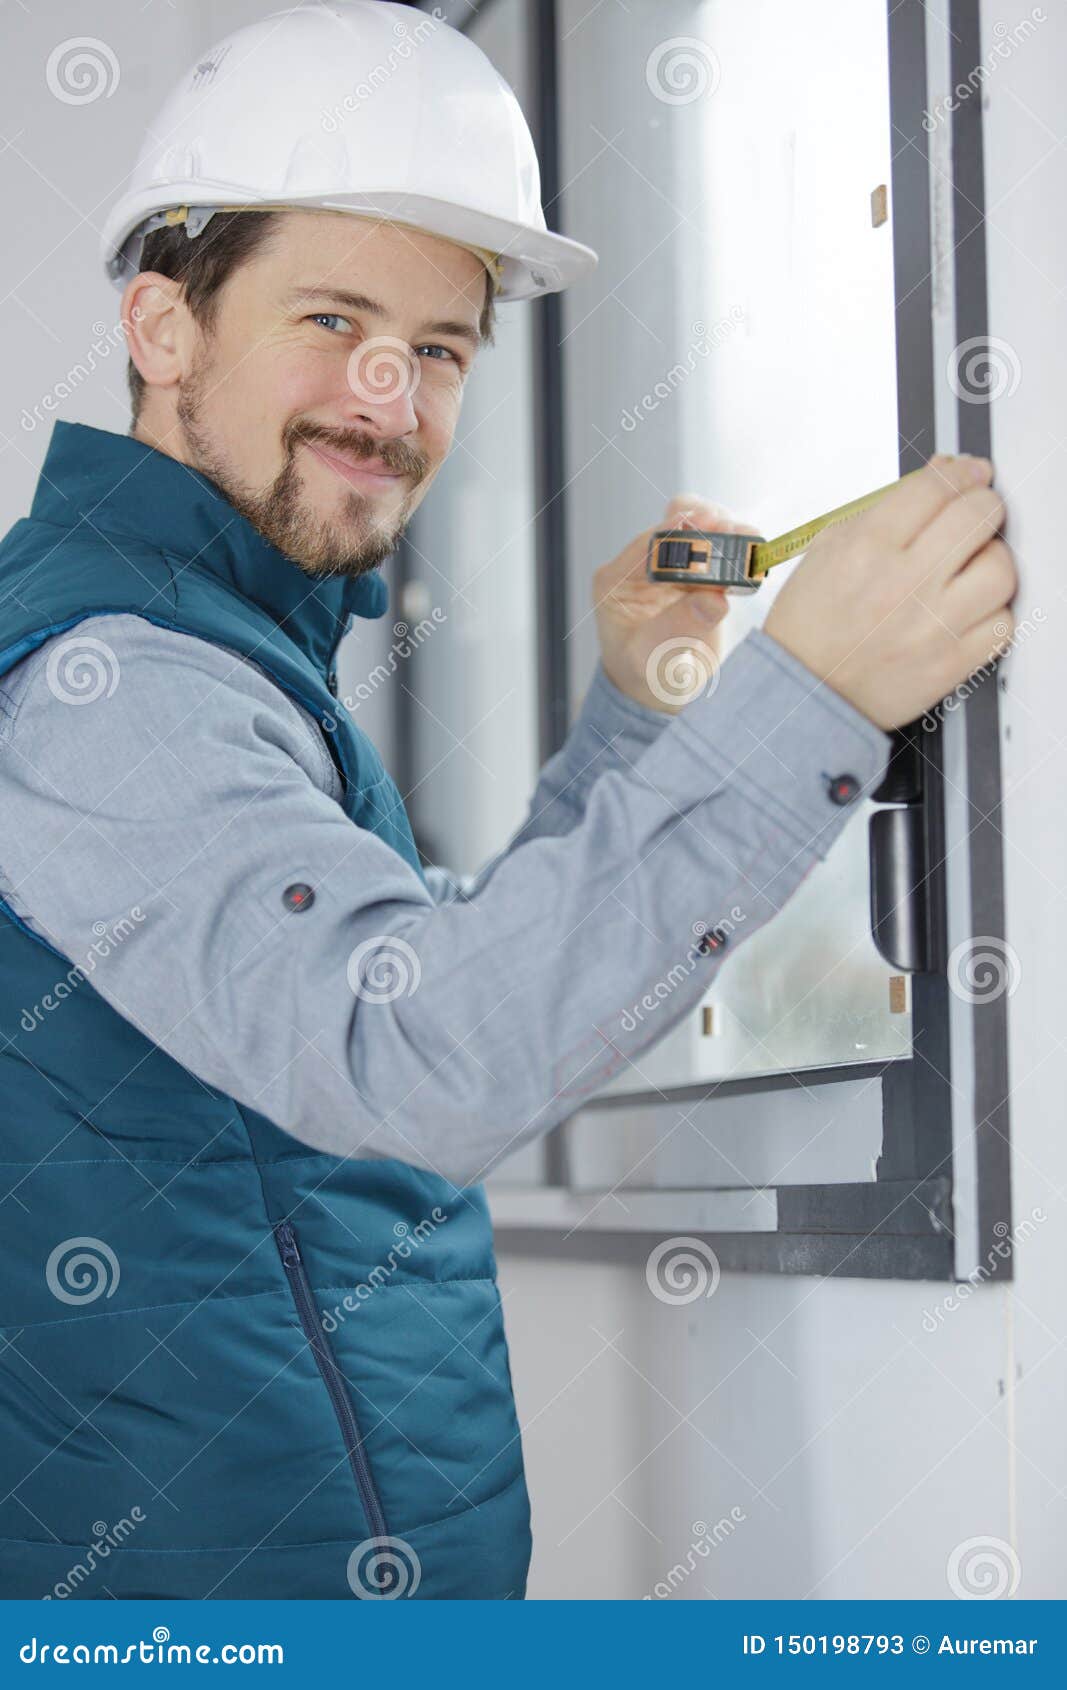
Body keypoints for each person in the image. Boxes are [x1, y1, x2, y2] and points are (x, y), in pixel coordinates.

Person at [0, 2, 1014, 1600]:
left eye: (441, 348)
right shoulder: (116, 681)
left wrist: (638, 720)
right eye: (332, 318)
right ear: (163, 327)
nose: (388, 397)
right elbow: (422, 1054)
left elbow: (412, 982)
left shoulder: (228, 655)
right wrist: (806, 700)